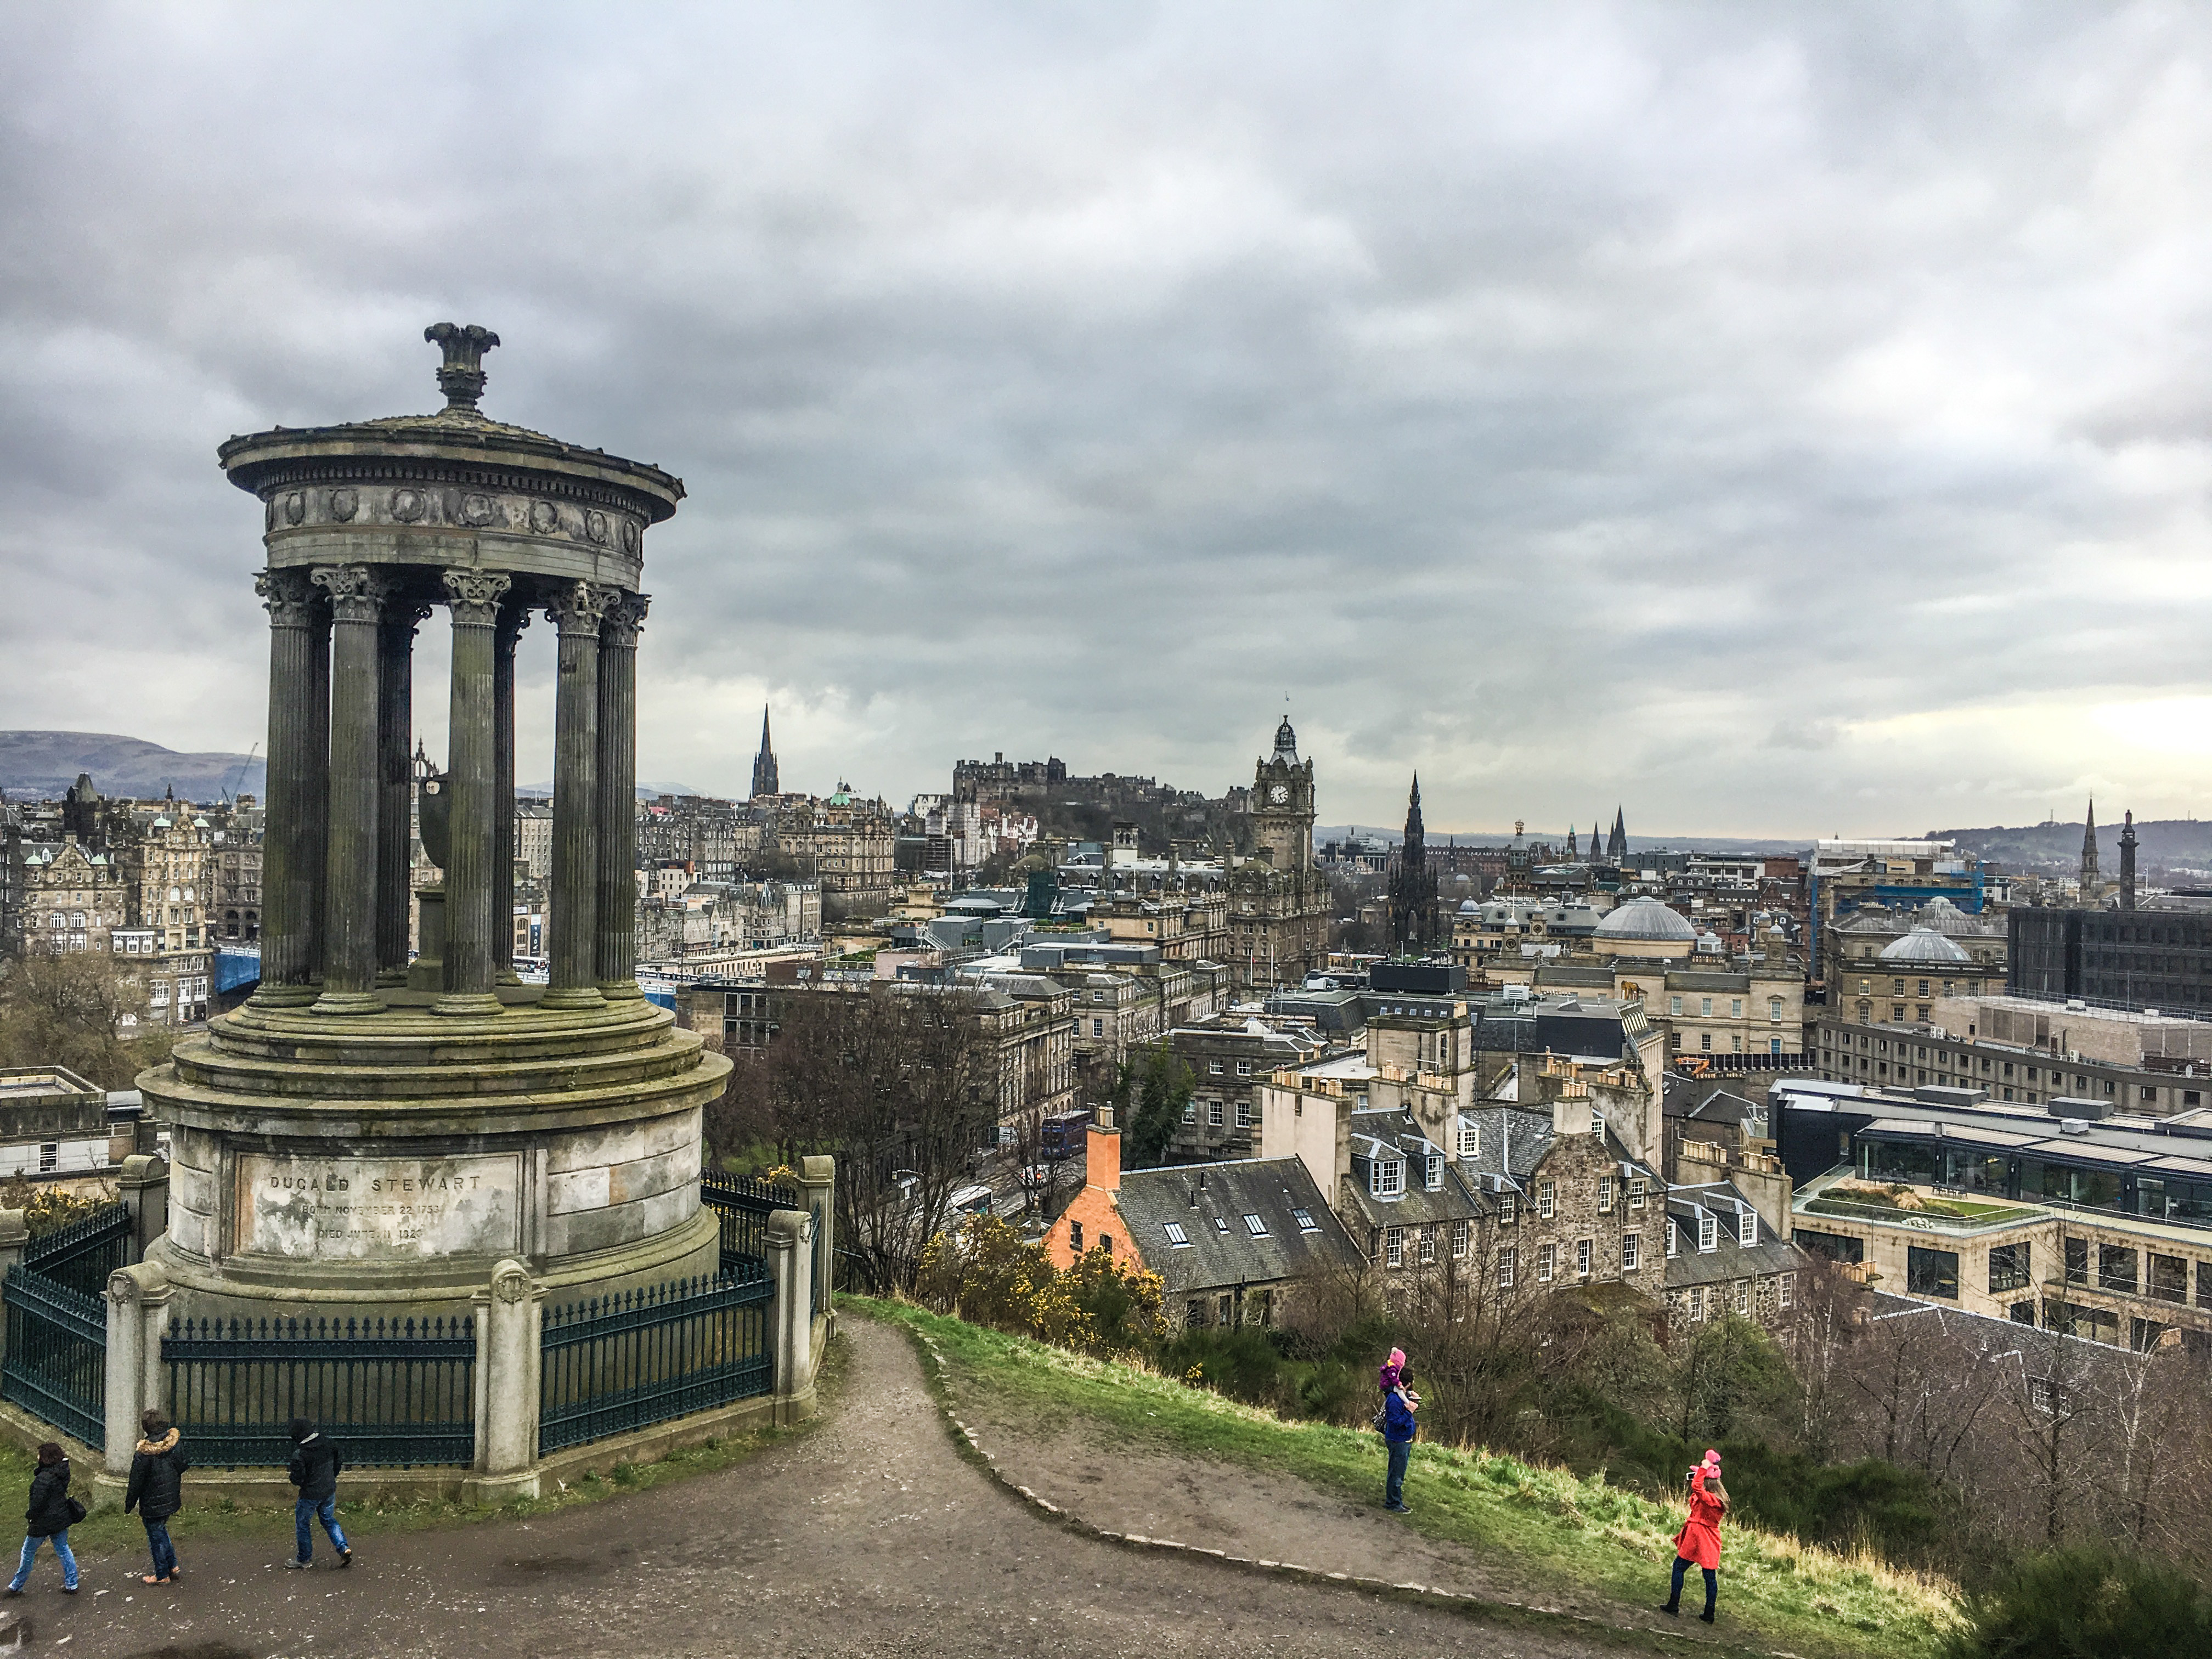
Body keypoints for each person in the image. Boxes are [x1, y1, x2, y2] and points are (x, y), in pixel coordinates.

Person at [123, 1408, 190, 1585]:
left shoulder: (144, 1453)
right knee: (160, 1530)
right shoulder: (175, 1445)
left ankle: (162, 1574)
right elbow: (183, 1465)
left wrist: (129, 1503)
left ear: (146, 1428)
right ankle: (173, 1565)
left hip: (152, 1502)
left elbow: (136, 1481)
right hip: (171, 1497)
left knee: (155, 1535)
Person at [1662, 1448, 1728, 1623]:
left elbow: (1696, 1486)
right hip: (1710, 1538)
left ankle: (1674, 1604)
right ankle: (1709, 1613)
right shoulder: (1718, 1500)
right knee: (1709, 1576)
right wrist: (1701, 1472)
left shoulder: (1708, 1497)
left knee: (1679, 1567)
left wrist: (1703, 1470)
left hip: (1696, 1535)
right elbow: (1696, 1488)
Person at [4, 1443, 79, 1597]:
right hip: (60, 1518)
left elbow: (37, 1504)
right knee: (63, 1549)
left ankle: (17, 1585)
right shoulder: (62, 1472)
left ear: (45, 1458)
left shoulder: (43, 1479)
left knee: (28, 1552)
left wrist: (30, 1517)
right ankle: (72, 1584)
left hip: (43, 1522)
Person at [285, 1418, 352, 1570]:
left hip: (310, 1495)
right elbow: (338, 1463)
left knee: (303, 1524)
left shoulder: (300, 1454)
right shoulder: (329, 1443)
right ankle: (343, 1548)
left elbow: (298, 1479)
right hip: (329, 1490)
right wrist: (329, 1478)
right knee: (329, 1520)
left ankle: (304, 1559)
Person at [1380, 1361, 1419, 1514]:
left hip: (1403, 1439)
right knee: (1396, 1474)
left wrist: (1413, 1400)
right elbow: (1395, 1422)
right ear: (1408, 1384)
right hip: (1398, 1440)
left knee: (1398, 1472)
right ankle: (1393, 1502)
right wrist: (1409, 1412)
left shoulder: (1400, 1396)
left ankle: (1397, 1500)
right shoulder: (1394, 1400)